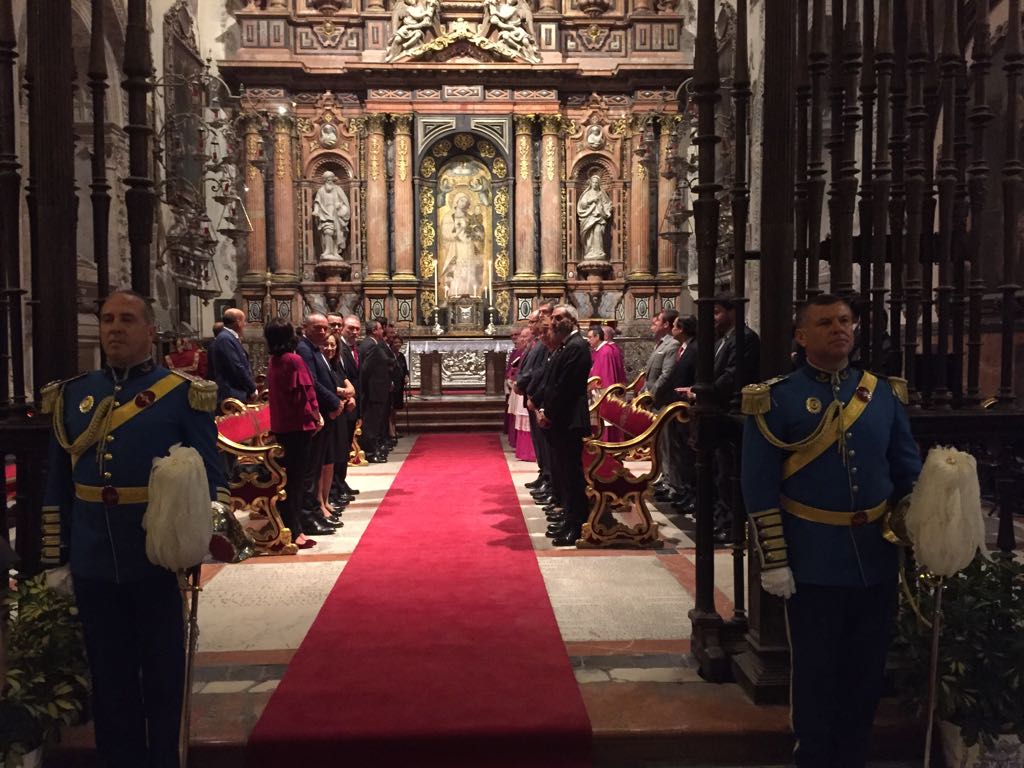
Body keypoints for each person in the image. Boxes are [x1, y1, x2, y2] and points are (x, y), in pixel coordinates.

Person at [40, 290, 228, 768]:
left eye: (126, 319)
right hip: (93, 557)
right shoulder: (74, 395)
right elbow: (57, 483)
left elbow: (213, 477)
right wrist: (54, 554)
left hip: (154, 555)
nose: (114, 329)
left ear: (151, 331)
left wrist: (198, 540)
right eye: (106, 319)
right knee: (109, 677)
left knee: (163, 676)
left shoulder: (184, 393)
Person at [741, 293, 922, 768]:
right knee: (817, 671)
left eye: (845, 320)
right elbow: (758, 488)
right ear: (801, 336)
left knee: (866, 673)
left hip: (876, 556)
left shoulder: (882, 394)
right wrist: (776, 560)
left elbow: (907, 474)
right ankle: (815, 756)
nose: (839, 328)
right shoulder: (774, 398)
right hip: (813, 558)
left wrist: (924, 532)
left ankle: (853, 755)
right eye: (825, 322)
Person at [532, 305, 592, 547]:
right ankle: (569, 518)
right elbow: (552, 382)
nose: (554, 322)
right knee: (565, 473)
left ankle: (577, 524)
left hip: (569, 419)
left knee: (572, 474)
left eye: (559, 318)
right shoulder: (567, 346)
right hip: (562, 418)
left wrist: (548, 412)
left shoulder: (577, 347)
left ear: (572, 320)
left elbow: (565, 387)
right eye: (553, 318)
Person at [264, 318, 321, 547]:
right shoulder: (294, 360)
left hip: (282, 426)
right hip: (298, 426)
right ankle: (295, 531)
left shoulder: (273, 361)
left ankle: (288, 526)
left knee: (290, 480)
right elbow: (307, 392)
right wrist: (317, 417)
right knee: (298, 480)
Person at [295, 314, 345, 533]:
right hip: (318, 415)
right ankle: (309, 515)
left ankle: (315, 511)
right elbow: (311, 383)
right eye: (318, 328)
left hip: (325, 412)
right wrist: (334, 402)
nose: (324, 332)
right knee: (312, 469)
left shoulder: (314, 348)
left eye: (326, 329)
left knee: (318, 466)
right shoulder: (304, 349)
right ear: (305, 327)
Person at [358, 319, 395, 463]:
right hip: (373, 391)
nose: (382, 331)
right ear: (374, 330)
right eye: (380, 329)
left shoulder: (371, 344)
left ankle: (373, 448)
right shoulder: (371, 345)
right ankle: (369, 451)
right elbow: (366, 370)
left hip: (376, 390)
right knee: (371, 424)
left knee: (375, 423)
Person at [208, 308, 256, 406]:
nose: (245, 324)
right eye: (244, 321)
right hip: (231, 393)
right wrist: (252, 388)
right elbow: (236, 366)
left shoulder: (229, 337)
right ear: (238, 322)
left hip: (236, 392)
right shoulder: (225, 338)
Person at [439, 193, 479, 299]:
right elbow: (445, 234)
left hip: (468, 245)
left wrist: (474, 232)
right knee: (458, 268)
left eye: (465, 202)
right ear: (456, 201)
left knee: (469, 267)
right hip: (456, 246)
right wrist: (457, 233)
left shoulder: (469, 216)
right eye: (461, 200)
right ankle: (455, 292)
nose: (463, 203)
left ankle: (470, 292)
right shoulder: (449, 216)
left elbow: (477, 232)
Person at [312, 171, 351, 260]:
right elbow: (317, 202)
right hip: (325, 213)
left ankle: (335, 252)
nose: (329, 181)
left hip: (336, 214)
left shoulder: (338, 189)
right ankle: (327, 251)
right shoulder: (321, 190)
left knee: (336, 233)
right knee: (328, 231)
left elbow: (344, 202)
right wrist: (316, 210)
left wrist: (340, 206)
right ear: (325, 180)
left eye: (331, 179)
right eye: (327, 179)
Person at [576, 174, 613, 261]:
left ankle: (598, 252)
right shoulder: (587, 193)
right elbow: (582, 204)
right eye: (593, 182)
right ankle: (589, 252)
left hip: (599, 218)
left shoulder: (601, 193)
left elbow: (607, 204)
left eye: (597, 183)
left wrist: (607, 211)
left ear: (599, 184)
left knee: (598, 233)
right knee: (589, 236)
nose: (595, 184)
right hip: (588, 218)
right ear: (591, 183)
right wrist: (592, 200)